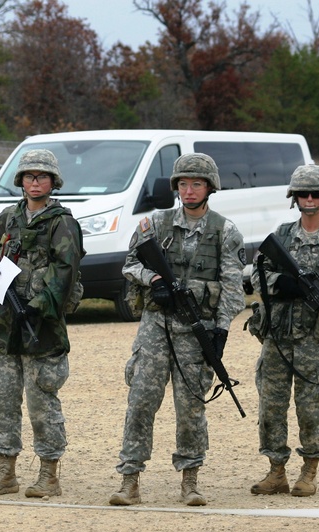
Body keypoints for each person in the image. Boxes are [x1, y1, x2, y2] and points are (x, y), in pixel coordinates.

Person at [107, 153, 245, 507]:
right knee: (140, 401)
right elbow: (130, 264)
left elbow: (232, 288)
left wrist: (221, 331)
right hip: (155, 326)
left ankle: (190, 479)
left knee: (191, 407)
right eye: (183, 184)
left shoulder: (225, 231)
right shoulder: (155, 223)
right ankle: (130, 479)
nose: (188, 190)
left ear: (210, 187)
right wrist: (152, 278)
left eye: (196, 184)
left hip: (195, 329)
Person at [0, 149, 84, 498]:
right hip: (4, 325)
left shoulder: (62, 223)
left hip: (40, 326)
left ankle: (48, 473)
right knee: (1, 401)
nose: (35, 182)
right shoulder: (8, 217)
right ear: (20, 181)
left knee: (41, 402)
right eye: (29, 176)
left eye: (41, 177)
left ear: (52, 182)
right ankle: (6, 470)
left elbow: (66, 271)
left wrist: (38, 305)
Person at [247, 164, 319, 497]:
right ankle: (276, 471)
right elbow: (256, 276)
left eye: (315, 194)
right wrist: (280, 283)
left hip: (317, 338)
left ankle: (309, 471)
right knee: (271, 405)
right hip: (279, 335)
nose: (308, 199)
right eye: (302, 194)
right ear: (294, 198)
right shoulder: (281, 236)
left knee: (313, 406)